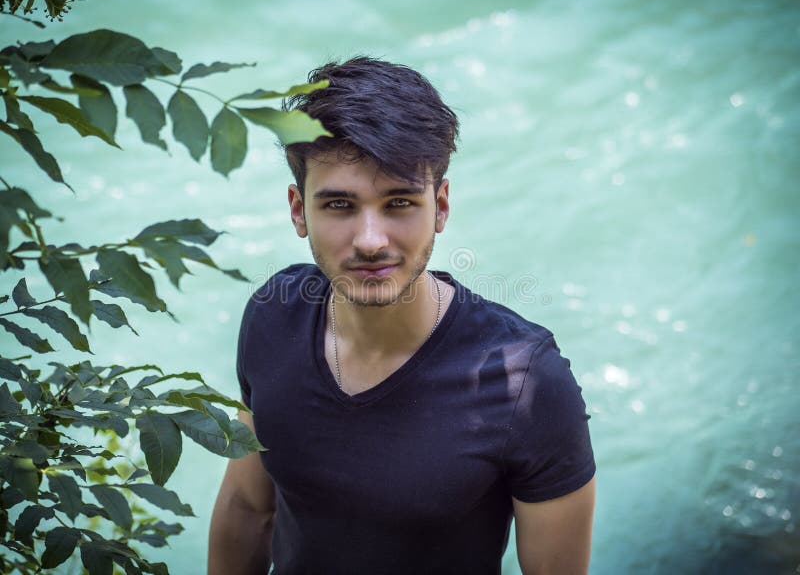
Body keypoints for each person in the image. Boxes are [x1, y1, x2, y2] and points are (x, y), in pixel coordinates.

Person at [208, 56, 596, 575]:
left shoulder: (525, 383)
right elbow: (246, 507)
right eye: (340, 205)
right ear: (299, 210)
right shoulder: (273, 316)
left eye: (399, 203)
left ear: (441, 206)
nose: (371, 240)